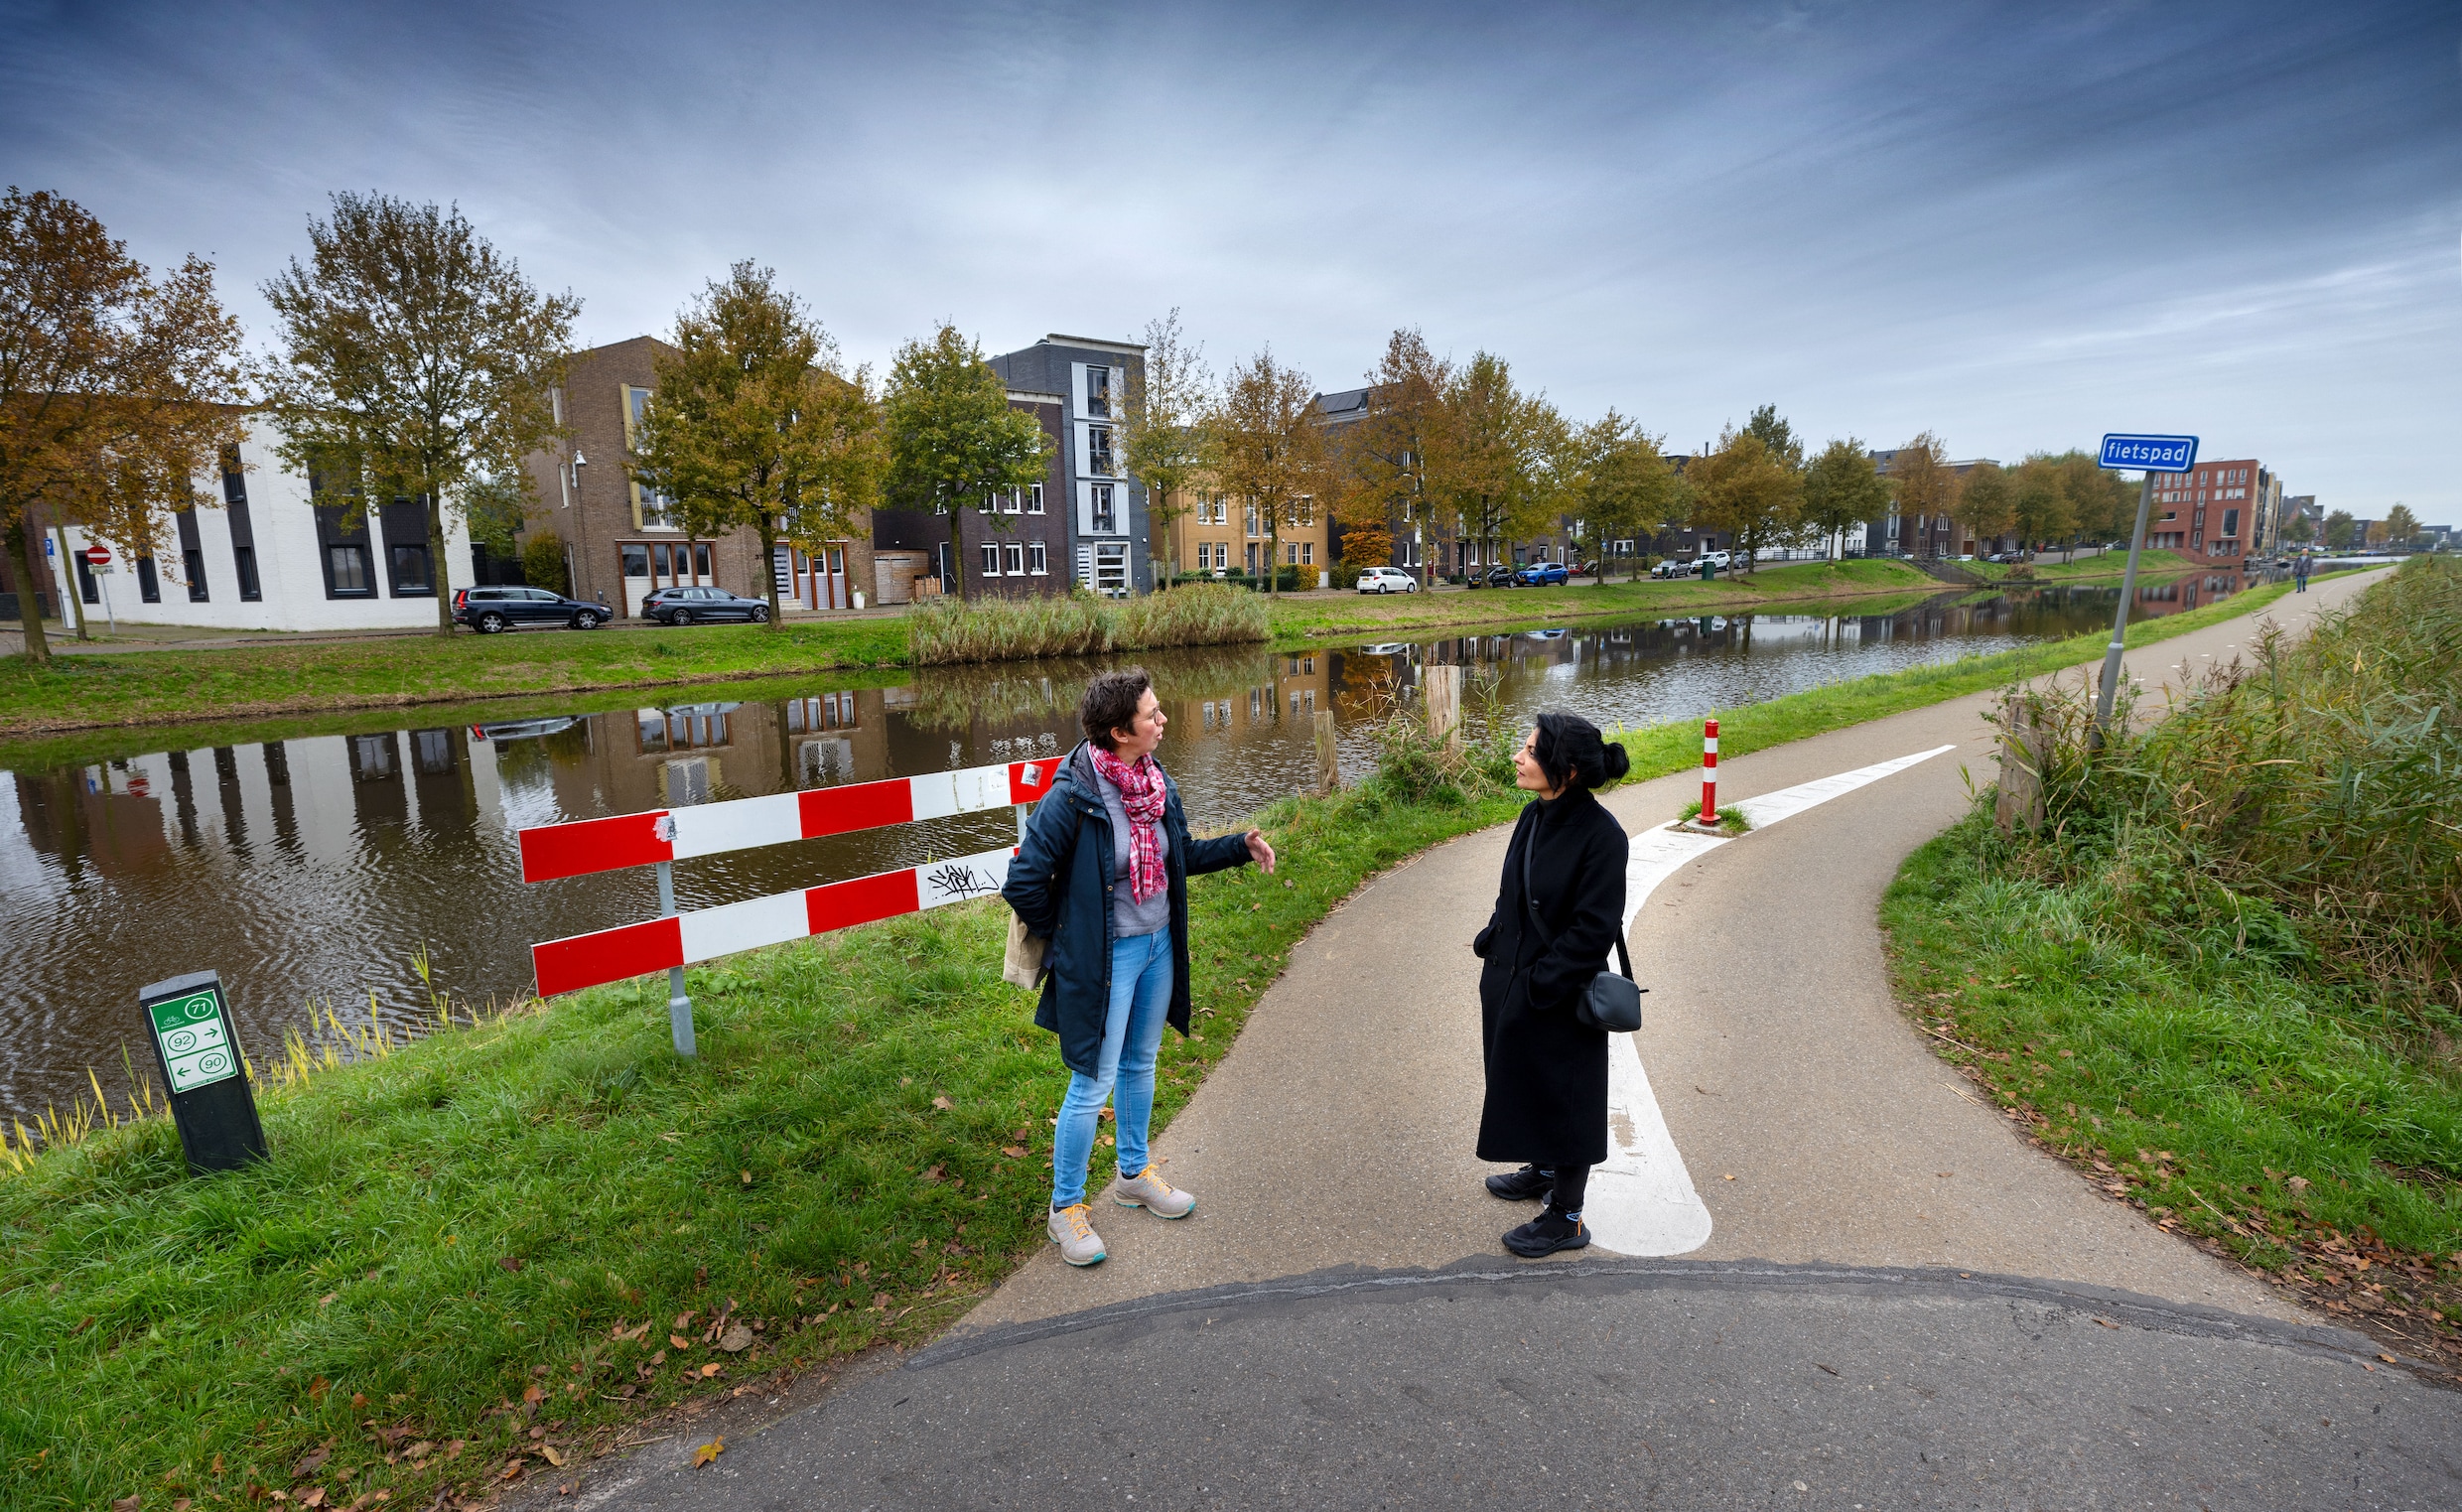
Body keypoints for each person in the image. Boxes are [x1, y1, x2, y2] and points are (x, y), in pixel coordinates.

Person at [1002, 667, 1278, 1268]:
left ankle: (1132, 1175)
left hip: (1157, 948)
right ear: (1119, 731)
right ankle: (1065, 1208)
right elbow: (1022, 882)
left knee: (1139, 1062)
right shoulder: (1072, 795)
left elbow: (1181, 856)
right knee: (1091, 1082)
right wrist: (1070, 936)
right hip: (1107, 959)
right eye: (1152, 714)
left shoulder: (1155, 780)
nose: (1163, 720)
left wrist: (1239, 845)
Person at [1473, 711, 1632, 1258]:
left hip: (1558, 991)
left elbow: (1595, 929)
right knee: (1520, 1077)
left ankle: (1567, 1217)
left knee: (1566, 1097)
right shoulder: (1532, 813)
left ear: (1566, 769)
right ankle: (1542, 1168)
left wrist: (1540, 984)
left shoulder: (1603, 836)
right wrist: (1492, 939)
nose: (1518, 757)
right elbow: (1512, 890)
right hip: (1509, 977)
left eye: (1531, 751)